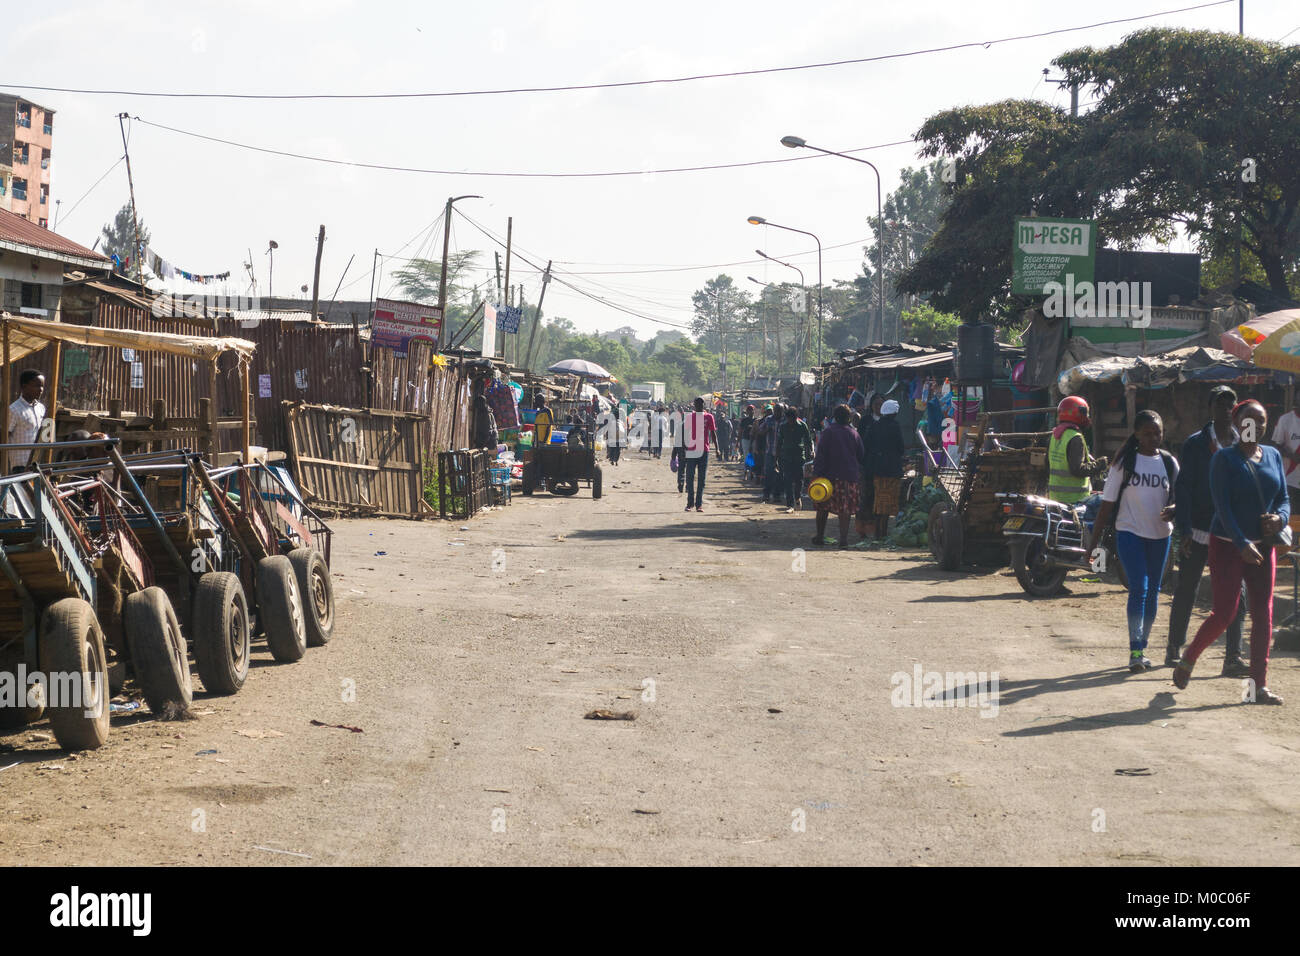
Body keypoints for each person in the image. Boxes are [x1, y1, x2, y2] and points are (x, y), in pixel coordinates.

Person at [1174, 400, 1288, 704]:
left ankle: (1257, 688)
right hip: (1227, 545)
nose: (1256, 425)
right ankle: (1190, 656)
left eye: (1261, 420)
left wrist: (1281, 519)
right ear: (1237, 423)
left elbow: (1284, 499)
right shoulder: (1224, 459)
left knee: (1264, 616)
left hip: (1264, 548)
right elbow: (1222, 508)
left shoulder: (1274, 456)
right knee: (1225, 613)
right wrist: (1241, 543)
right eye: (1250, 419)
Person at [1086, 410, 1179, 673]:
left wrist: (1175, 508)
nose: (1153, 437)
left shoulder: (1170, 463)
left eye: (1157, 433)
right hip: (1129, 533)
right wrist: (1092, 544)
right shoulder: (1124, 463)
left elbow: (1180, 497)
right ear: (1137, 434)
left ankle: (1143, 646)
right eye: (1147, 433)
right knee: (1139, 587)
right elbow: (1106, 506)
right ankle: (1135, 651)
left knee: (1153, 592)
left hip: (1161, 536)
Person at [1168, 386, 1248, 673]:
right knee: (1187, 588)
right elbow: (1184, 488)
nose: (1226, 409)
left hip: (1232, 534)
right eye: (1220, 404)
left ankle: (1233, 658)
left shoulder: (1244, 445)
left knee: (1236, 595)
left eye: (1231, 405)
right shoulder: (1196, 444)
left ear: (1236, 410)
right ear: (1211, 408)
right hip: (1200, 529)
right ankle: (1174, 648)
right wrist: (1185, 529)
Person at [811, 405, 864, 549]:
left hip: (828, 477)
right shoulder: (854, 434)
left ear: (835, 417)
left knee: (822, 507)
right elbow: (861, 455)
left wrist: (816, 473)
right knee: (845, 509)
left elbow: (820, 454)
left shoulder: (828, 433)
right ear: (848, 418)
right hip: (848, 476)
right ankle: (843, 540)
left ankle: (820, 536)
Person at [1047, 395, 1109, 508]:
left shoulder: (1055, 436)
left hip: (1055, 498)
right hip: (1075, 500)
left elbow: (1048, 465)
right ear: (1079, 413)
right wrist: (1099, 464)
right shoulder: (1075, 437)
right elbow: (1077, 470)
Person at [867, 399, 904, 539]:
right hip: (892, 470)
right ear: (894, 413)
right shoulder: (895, 426)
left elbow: (868, 446)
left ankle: (878, 533)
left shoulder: (875, 426)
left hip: (878, 470)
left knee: (879, 500)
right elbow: (900, 447)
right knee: (889, 502)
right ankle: (883, 532)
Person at [775, 404, 813, 512]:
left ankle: (797, 498)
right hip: (786, 457)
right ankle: (790, 504)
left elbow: (808, 441)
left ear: (796, 417)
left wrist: (812, 451)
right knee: (787, 480)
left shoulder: (802, 425)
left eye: (792, 419)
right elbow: (779, 443)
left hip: (799, 457)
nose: (790, 421)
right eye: (788, 419)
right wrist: (776, 458)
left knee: (798, 480)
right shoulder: (783, 426)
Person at [682, 396, 716, 512]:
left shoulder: (709, 417)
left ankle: (699, 504)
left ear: (703, 405)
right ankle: (689, 503)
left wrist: (717, 449)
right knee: (690, 477)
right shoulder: (689, 417)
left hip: (704, 451)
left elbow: (713, 433)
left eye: (701, 404)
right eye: (697, 404)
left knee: (702, 479)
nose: (699, 406)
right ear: (694, 405)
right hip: (691, 451)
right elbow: (685, 433)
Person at [8, 370, 46, 474]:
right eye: (37, 386)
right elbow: (4, 435)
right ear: (24, 387)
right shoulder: (14, 409)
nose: (41, 390)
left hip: (37, 464)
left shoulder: (41, 408)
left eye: (42, 386)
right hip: (20, 464)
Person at [1270, 390, 1300, 513]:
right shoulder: (1285, 420)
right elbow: (1275, 445)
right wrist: (1291, 455)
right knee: (1291, 517)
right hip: (1289, 479)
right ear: (1296, 401)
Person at [757, 405, 783, 504]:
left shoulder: (785, 420)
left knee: (780, 475)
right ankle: (766, 494)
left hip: (781, 453)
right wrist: (766, 430)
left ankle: (777, 495)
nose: (777, 413)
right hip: (769, 452)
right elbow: (760, 431)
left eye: (779, 411)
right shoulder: (768, 420)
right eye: (776, 411)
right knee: (768, 474)